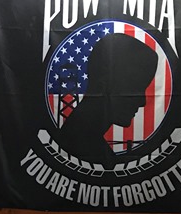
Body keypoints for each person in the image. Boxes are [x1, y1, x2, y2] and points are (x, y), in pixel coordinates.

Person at [56, 32, 158, 167]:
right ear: (103, 83)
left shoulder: (71, 143)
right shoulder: (88, 149)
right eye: (135, 88)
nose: (142, 102)